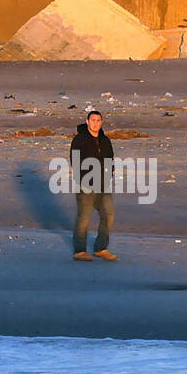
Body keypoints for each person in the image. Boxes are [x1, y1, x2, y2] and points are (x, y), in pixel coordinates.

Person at [69, 110, 117, 262]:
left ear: (101, 122)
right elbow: (75, 161)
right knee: (84, 217)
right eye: (93, 120)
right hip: (86, 185)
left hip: (103, 185)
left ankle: (101, 248)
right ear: (87, 121)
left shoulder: (105, 140)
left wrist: (109, 175)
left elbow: (110, 160)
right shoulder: (80, 139)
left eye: (98, 120)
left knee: (108, 214)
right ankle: (80, 250)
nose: (96, 123)